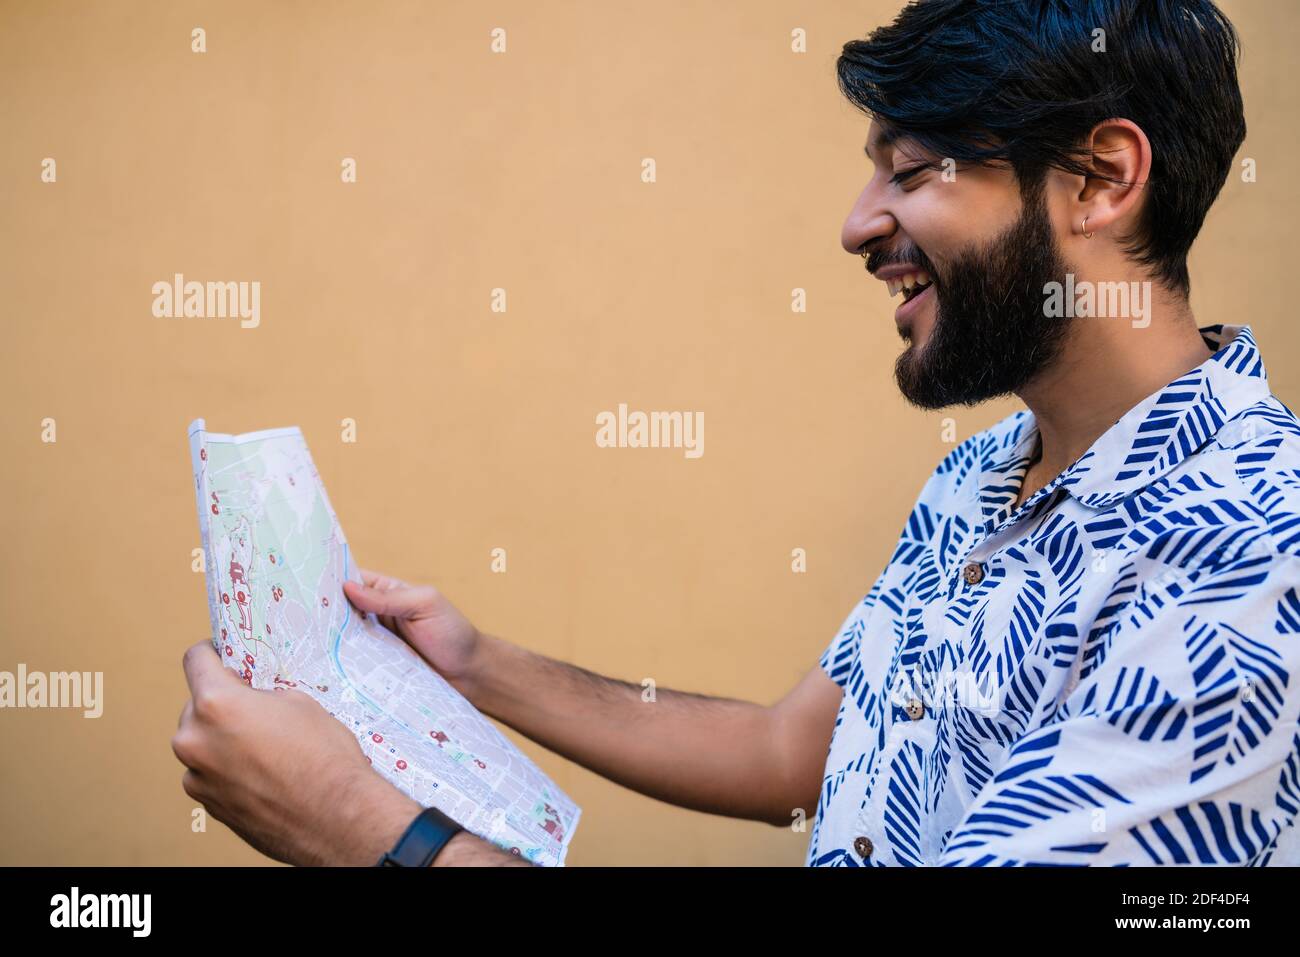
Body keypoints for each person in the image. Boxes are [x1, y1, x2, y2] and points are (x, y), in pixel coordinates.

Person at [173, 0, 1300, 866]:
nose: (858, 224)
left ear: (1100, 179)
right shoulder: (982, 477)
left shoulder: (1249, 560)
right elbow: (793, 753)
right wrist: (475, 669)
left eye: (910, 170)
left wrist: (366, 830)